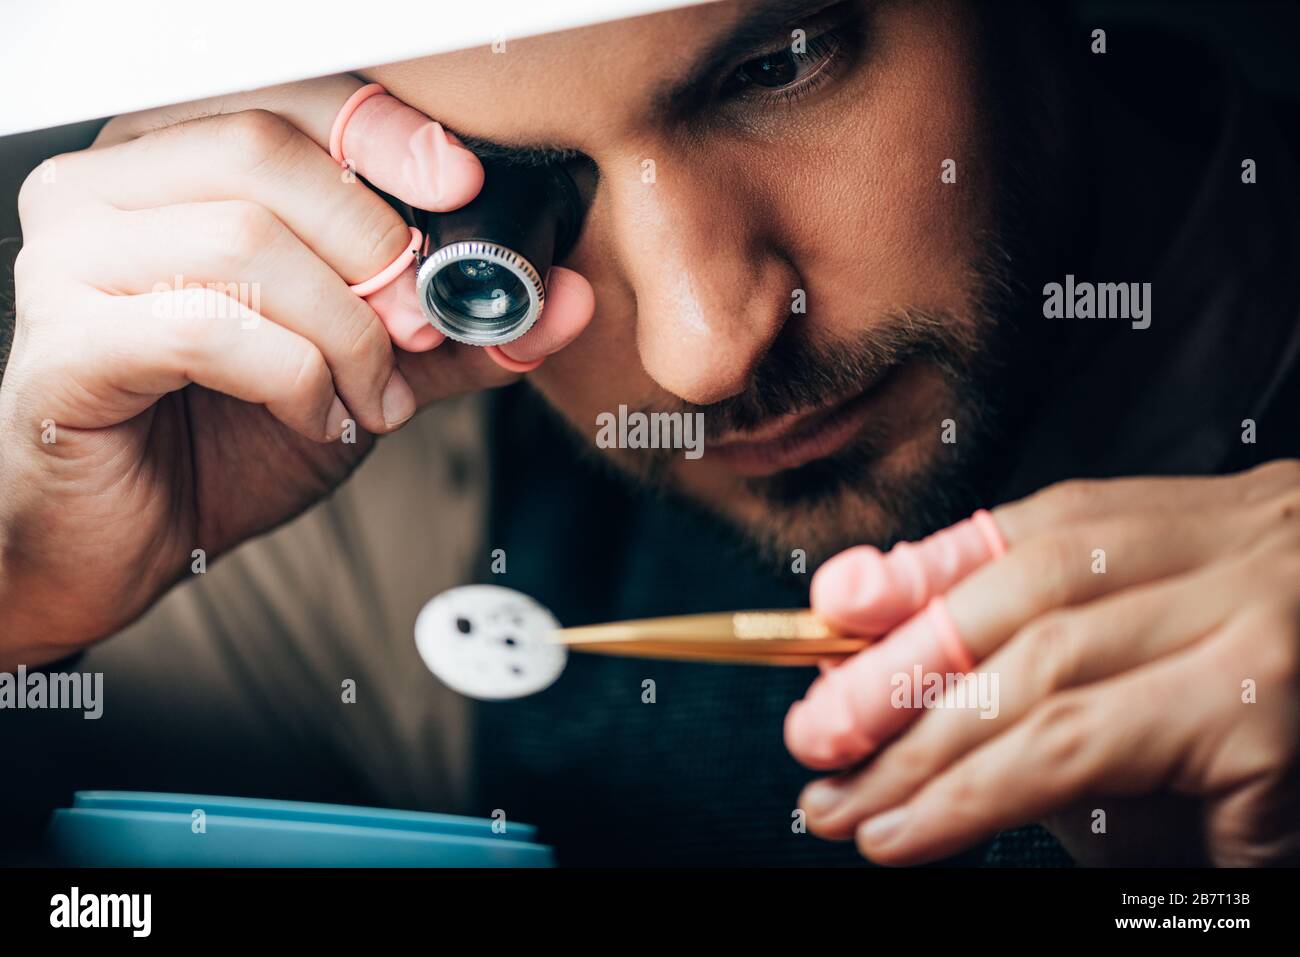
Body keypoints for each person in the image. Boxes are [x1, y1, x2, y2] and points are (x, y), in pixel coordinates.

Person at [2, 0, 1298, 866]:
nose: (704, 349)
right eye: (518, 185)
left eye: (777, 66)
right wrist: (30, 600)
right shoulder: (378, 487)